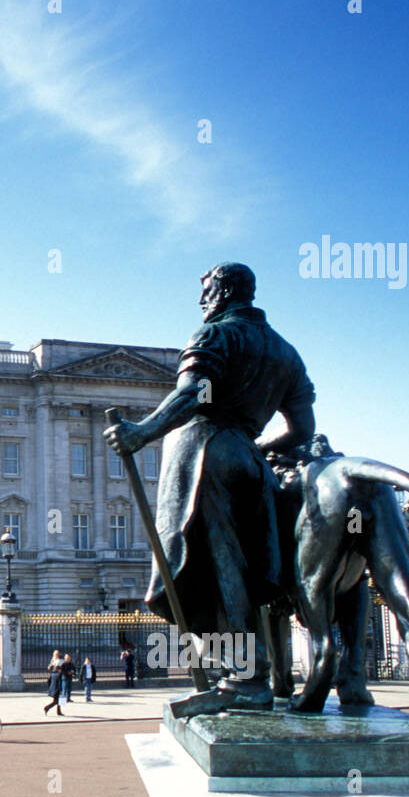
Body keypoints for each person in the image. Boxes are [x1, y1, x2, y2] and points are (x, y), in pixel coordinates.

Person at [105, 262, 316, 711]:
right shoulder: (287, 352)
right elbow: (302, 429)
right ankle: (235, 674)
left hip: (204, 452)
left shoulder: (214, 335)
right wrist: (253, 447)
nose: (202, 302)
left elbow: (192, 394)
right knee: (237, 568)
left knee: (216, 567)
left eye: (205, 292)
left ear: (221, 290)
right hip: (249, 458)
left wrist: (141, 431)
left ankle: (245, 680)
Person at [44, 650, 65, 716]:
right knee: (57, 700)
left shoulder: (54, 662)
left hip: (54, 683)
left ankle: (59, 711)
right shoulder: (60, 663)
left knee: (60, 699)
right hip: (57, 684)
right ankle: (47, 707)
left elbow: (50, 668)